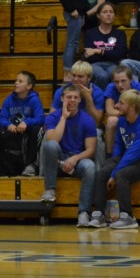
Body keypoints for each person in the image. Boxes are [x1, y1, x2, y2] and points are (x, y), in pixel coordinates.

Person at [89, 89, 140, 229]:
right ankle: (99, 214)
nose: (116, 106)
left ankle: (128, 217)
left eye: (121, 103)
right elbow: (119, 145)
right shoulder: (122, 121)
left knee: (121, 175)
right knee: (103, 171)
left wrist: (114, 173)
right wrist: (113, 162)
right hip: (126, 158)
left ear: (132, 107)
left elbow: (134, 153)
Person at [40, 84, 97, 227]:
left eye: (75, 97)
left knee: (90, 166)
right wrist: (64, 117)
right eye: (68, 97)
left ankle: (83, 213)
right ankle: (50, 190)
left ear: (79, 100)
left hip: (76, 161)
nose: (72, 100)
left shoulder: (87, 119)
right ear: (62, 99)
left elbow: (91, 150)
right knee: (50, 145)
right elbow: (53, 140)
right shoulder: (53, 117)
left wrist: (75, 159)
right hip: (57, 162)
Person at [0, 71, 44, 177]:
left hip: (27, 131)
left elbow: (40, 119)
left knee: (37, 129)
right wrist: (8, 124)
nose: (16, 83)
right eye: (16, 80)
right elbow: (1, 118)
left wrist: (26, 123)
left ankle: (31, 165)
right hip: (13, 131)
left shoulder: (34, 100)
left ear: (29, 86)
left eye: (20, 81)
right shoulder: (9, 99)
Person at [102, 65, 140, 158]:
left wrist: (132, 113)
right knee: (111, 120)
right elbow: (109, 111)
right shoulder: (111, 87)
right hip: (124, 118)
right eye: (116, 82)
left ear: (131, 80)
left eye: (123, 81)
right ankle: (110, 157)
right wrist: (130, 112)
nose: (120, 85)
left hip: (135, 119)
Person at [58, 0, 91, 83]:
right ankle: (67, 72)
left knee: (74, 43)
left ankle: (69, 71)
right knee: (72, 43)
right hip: (73, 15)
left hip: (78, 15)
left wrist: (82, 14)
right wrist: (72, 10)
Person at [82, 2, 128, 90]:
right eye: (105, 12)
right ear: (98, 16)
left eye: (111, 12)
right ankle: (100, 101)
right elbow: (89, 57)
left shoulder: (120, 34)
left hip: (113, 64)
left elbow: (120, 54)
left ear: (114, 15)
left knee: (113, 74)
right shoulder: (90, 33)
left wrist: (98, 51)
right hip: (94, 65)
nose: (108, 14)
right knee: (102, 76)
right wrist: (110, 53)